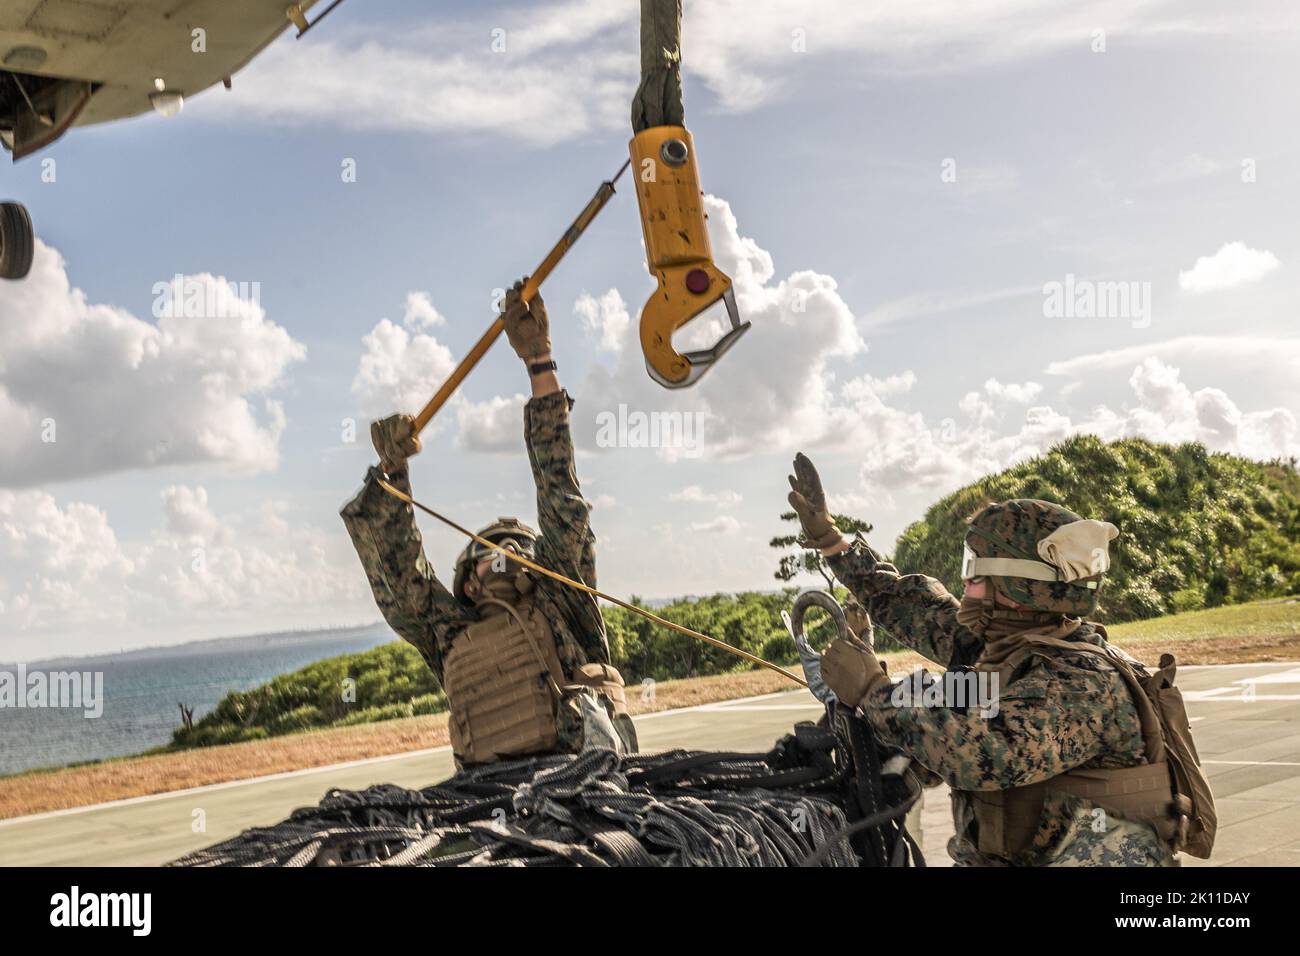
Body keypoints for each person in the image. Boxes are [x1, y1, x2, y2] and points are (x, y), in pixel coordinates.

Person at [786, 452, 1213, 866]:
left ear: (1016, 587)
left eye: (976, 570)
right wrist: (830, 538)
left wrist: (873, 692)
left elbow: (982, 753)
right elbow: (907, 602)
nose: (967, 582)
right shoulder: (1004, 647)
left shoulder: (1084, 682)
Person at [341, 281, 637, 766]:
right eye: (487, 554)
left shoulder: (564, 598)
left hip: (593, 788)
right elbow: (400, 581)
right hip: (492, 806)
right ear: (467, 584)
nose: (501, 558)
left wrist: (539, 362)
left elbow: (560, 493)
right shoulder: (449, 631)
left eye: (515, 550)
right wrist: (393, 473)